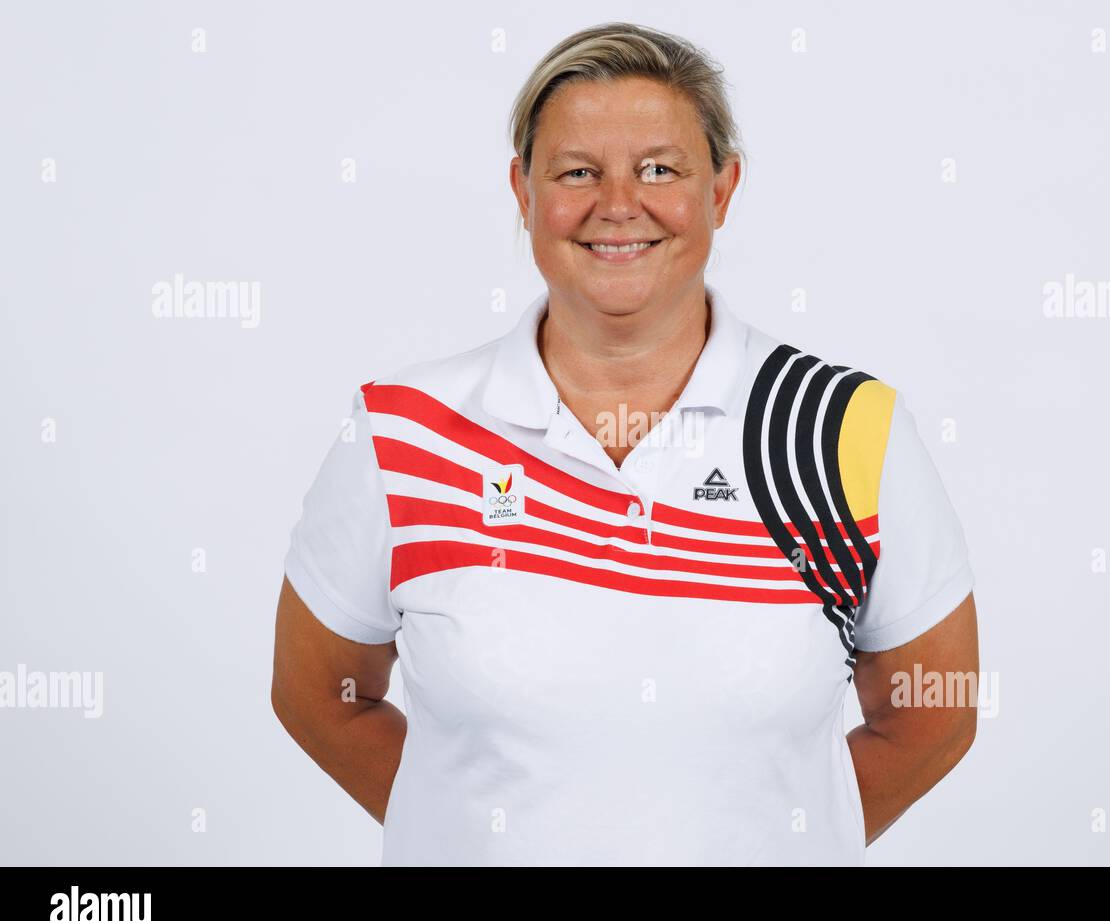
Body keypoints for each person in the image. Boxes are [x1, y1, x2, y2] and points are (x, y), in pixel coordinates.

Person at [272, 21, 979, 866]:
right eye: (576, 172)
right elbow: (318, 697)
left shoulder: (843, 430)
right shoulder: (402, 431)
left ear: (721, 190)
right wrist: (469, 830)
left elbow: (935, 715)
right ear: (523, 193)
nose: (617, 204)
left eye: (659, 169)